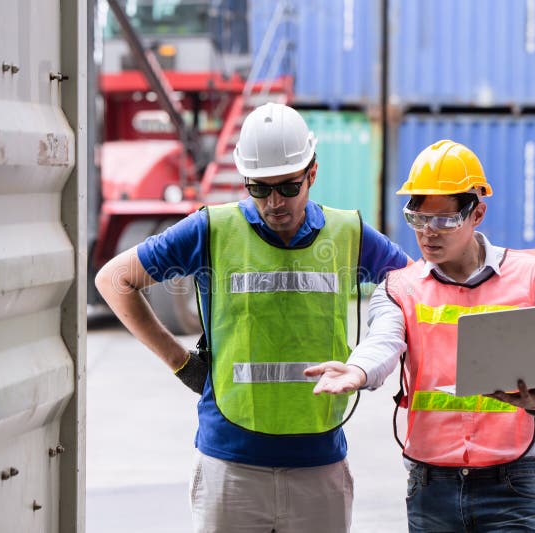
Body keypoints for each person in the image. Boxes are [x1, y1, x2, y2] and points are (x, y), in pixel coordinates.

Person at [95, 102, 411, 533]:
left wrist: (369, 362)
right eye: (259, 188)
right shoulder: (211, 229)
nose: (274, 202)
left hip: (318, 465)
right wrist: (181, 362)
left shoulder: (348, 234)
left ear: (312, 174)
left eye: (287, 186)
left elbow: (413, 291)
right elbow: (114, 280)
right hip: (230, 464)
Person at [306, 139, 535, 532]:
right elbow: (383, 339)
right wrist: (358, 370)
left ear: (477, 213)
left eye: (445, 220)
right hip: (433, 487)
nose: (429, 232)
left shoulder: (534, 276)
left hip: (515, 483)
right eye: (418, 219)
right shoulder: (399, 288)